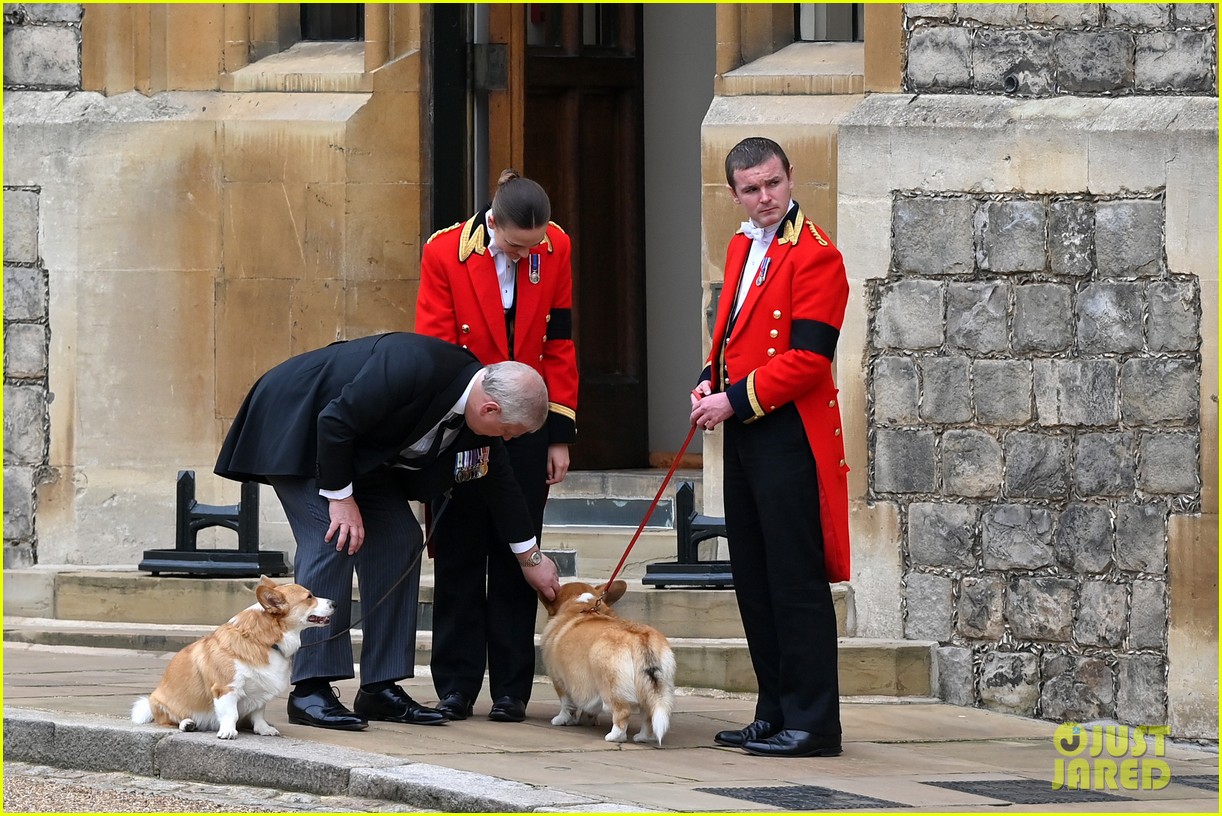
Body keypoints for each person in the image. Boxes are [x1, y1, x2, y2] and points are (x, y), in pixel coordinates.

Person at [214, 332, 562, 731]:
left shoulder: (476, 418)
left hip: (357, 453)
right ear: (490, 408)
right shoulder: (415, 366)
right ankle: (311, 689)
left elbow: (499, 481)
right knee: (333, 537)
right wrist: (341, 499)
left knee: (400, 538)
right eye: (509, 430)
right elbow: (335, 420)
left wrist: (530, 558)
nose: (507, 439)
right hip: (300, 425)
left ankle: (380, 687)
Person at [688, 137, 851, 758]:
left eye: (773, 184)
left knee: (794, 579)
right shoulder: (740, 246)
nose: (765, 198)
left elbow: (809, 358)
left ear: (790, 178)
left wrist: (733, 399)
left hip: (790, 432)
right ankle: (774, 709)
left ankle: (814, 724)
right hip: (747, 429)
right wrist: (710, 378)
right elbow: (732, 332)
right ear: (734, 194)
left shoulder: (817, 255)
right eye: (752, 189)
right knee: (754, 576)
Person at [415, 169, 578, 724]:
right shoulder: (444, 251)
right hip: (469, 416)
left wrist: (559, 433)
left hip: (526, 422)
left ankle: (512, 689)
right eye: (515, 245)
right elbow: (435, 349)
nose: (526, 255)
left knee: (518, 553)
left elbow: (560, 342)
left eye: (533, 246)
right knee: (460, 553)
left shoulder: (556, 246)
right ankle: (456, 686)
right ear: (493, 223)